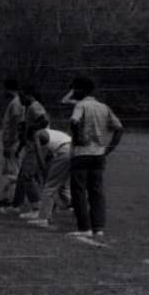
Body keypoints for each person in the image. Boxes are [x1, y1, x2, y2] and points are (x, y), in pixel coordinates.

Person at [67, 76, 124, 239]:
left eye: (74, 89)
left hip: (81, 154)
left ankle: (84, 227)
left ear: (81, 90)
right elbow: (119, 129)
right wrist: (109, 149)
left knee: (78, 191)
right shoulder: (104, 107)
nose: (72, 93)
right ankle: (98, 227)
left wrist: (77, 139)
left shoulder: (81, 105)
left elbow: (74, 121)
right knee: (96, 192)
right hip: (99, 155)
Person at [11, 87, 50, 215]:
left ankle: (37, 208)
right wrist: (19, 148)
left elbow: (44, 120)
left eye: (22, 97)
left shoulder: (34, 106)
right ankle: (16, 205)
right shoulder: (28, 108)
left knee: (27, 176)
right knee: (22, 176)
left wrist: (32, 129)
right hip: (31, 146)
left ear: (29, 95)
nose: (20, 100)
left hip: (37, 146)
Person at [26, 127, 73, 229]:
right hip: (74, 149)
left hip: (65, 151)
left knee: (50, 186)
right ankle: (76, 207)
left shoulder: (37, 134)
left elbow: (39, 153)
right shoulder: (49, 132)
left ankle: (43, 218)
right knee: (63, 185)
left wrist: (40, 167)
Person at [0, 78, 25, 206]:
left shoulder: (15, 103)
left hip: (13, 142)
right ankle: (10, 197)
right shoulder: (17, 102)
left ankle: (11, 198)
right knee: (11, 169)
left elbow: (15, 125)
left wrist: (9, 144)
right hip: (14, 142)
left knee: (12, 170)